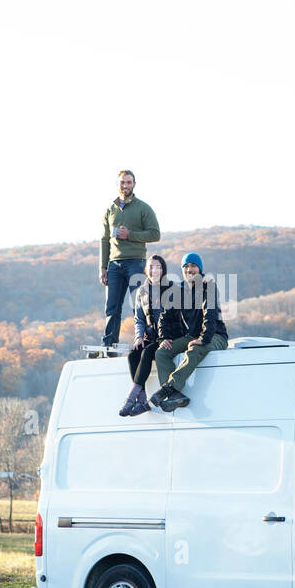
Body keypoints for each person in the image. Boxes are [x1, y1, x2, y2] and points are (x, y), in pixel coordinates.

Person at [152, 252, 228, 412]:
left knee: (195, 349)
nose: (189, 269)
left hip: (215, 336)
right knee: (161, 353)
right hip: (192, 336)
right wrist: (163, 337)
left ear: (199, 269)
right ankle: (176, 396)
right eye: (185, 266)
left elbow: (211, 313)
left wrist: (205, 338)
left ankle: (168, 388)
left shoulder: (209, 286)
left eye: (193, 266)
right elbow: (164, 316)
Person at [96, 169, 161, 357]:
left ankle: (146, 340)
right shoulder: (110, 209)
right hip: (114, 265)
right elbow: (104, 240)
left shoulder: (143, 208)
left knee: (140, 304)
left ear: (134, 184)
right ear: (117, 184)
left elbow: (155, 234)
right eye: (122, 182)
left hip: (136, 262)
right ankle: (109, 345)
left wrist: (130, 235)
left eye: (129, 182)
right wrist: (103, 267)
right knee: (112, 306)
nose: (125, 186)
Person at [119, 254, 172, 416]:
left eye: (158, 267)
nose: (154, 270)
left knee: (148, 353)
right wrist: (139, 337)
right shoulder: (141, 291)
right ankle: (142, 400)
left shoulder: (171, 288)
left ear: (163, 270)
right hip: (150, 336)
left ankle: (131, 397)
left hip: (167, 336)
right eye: (151, 266)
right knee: (133, 354)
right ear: (146, 270)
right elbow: (139, 319)